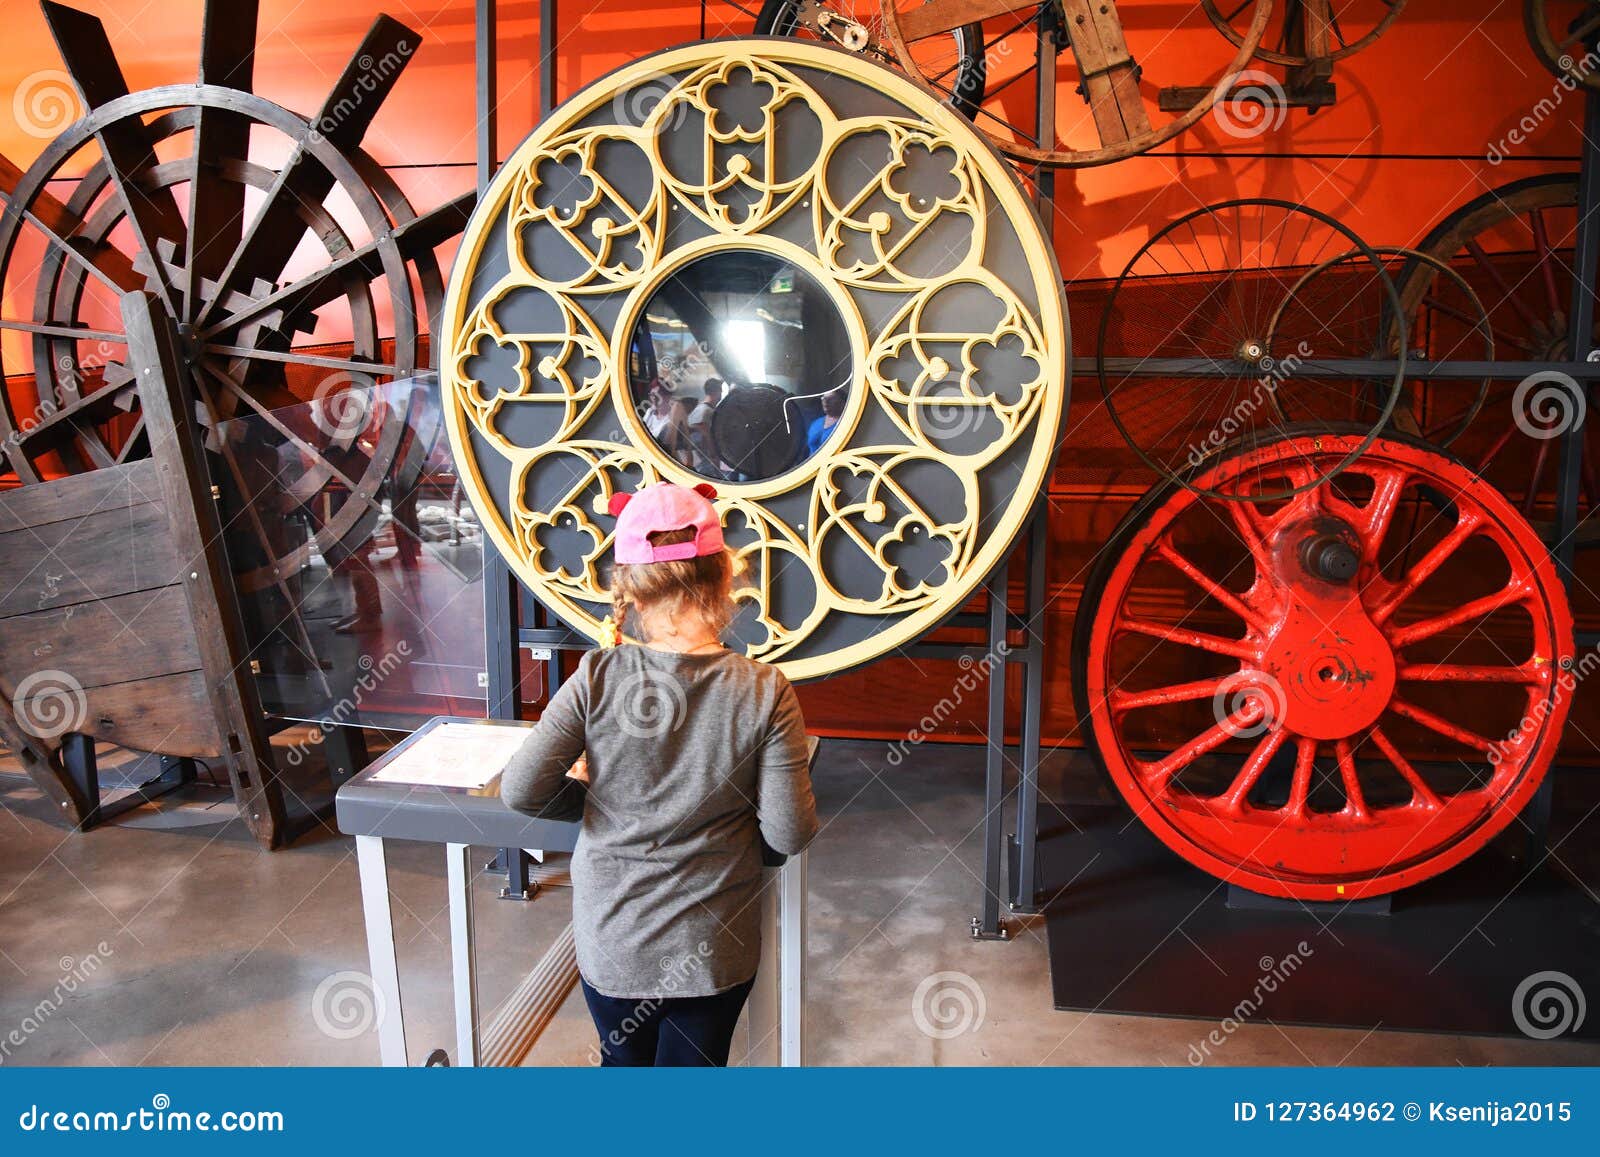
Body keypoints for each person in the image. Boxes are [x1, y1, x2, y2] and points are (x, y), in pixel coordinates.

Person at [500, 481, 818, 1067]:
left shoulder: (595, 676)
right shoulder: (764, 689)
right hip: (713, 945)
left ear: (629, 589)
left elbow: (521, 790)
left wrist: (596, 803)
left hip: (613, 940)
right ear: (725, 576)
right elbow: (789, 834)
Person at [687, 379, 723, 477]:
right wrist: (714, 456)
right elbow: (706, 435)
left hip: (702, 463)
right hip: (706, 464)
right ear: (718, 392)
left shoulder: (699, 409)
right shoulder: (706, 411)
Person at [805, 386, 846, 458]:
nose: (825, 402)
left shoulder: (846, 423)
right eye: (823, 398)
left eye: (831, 399)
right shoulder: (816, 423)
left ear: (842, 402)